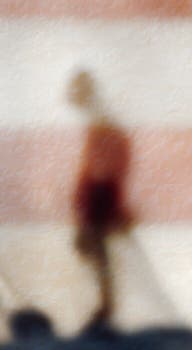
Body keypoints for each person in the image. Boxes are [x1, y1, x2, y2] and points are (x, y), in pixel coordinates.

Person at [68, 71, 132, 336]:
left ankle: (106, 308)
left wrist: (90, 199)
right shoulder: (99, 120)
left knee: (94, 248)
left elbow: (105, 164)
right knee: (90, 248)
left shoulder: (101, 121)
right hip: (99, 193)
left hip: (100, 193)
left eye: (75, 95)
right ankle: (105, 306)